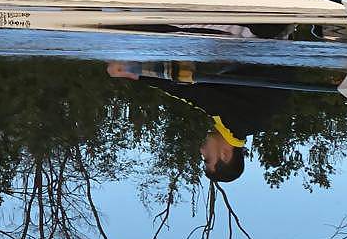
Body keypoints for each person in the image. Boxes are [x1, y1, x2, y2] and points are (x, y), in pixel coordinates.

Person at [107, 61, 293, 183]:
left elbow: (193, 92)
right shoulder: (235, 122)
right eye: (207, 158)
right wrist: (136, 72)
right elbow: (189, 92)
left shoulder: (240, 125)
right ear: (225, 155)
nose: (201, 150)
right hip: (264, 49)